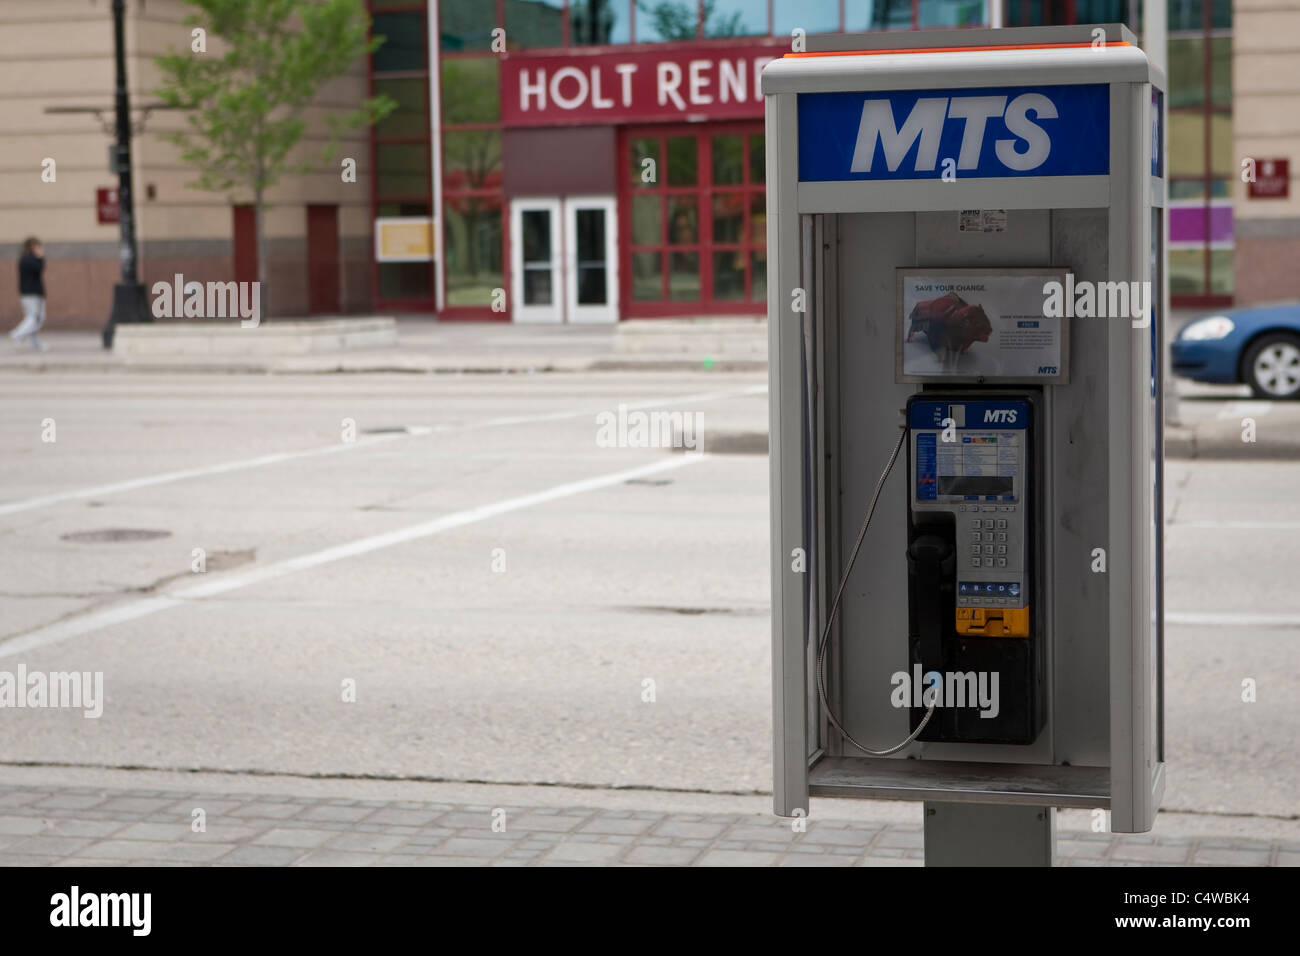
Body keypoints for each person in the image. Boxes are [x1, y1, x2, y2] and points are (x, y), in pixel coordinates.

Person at [11, 237, 47, 351]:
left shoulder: (25, 259)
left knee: (35, 318)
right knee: (35, 318)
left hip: (29, 292)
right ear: (33, 247)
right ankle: (17, 334)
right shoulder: (29, 259)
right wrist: (41, 257)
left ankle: (35, 344)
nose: (40, 249)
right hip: (31, 293)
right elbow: (39, 268)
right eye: (38, 247)